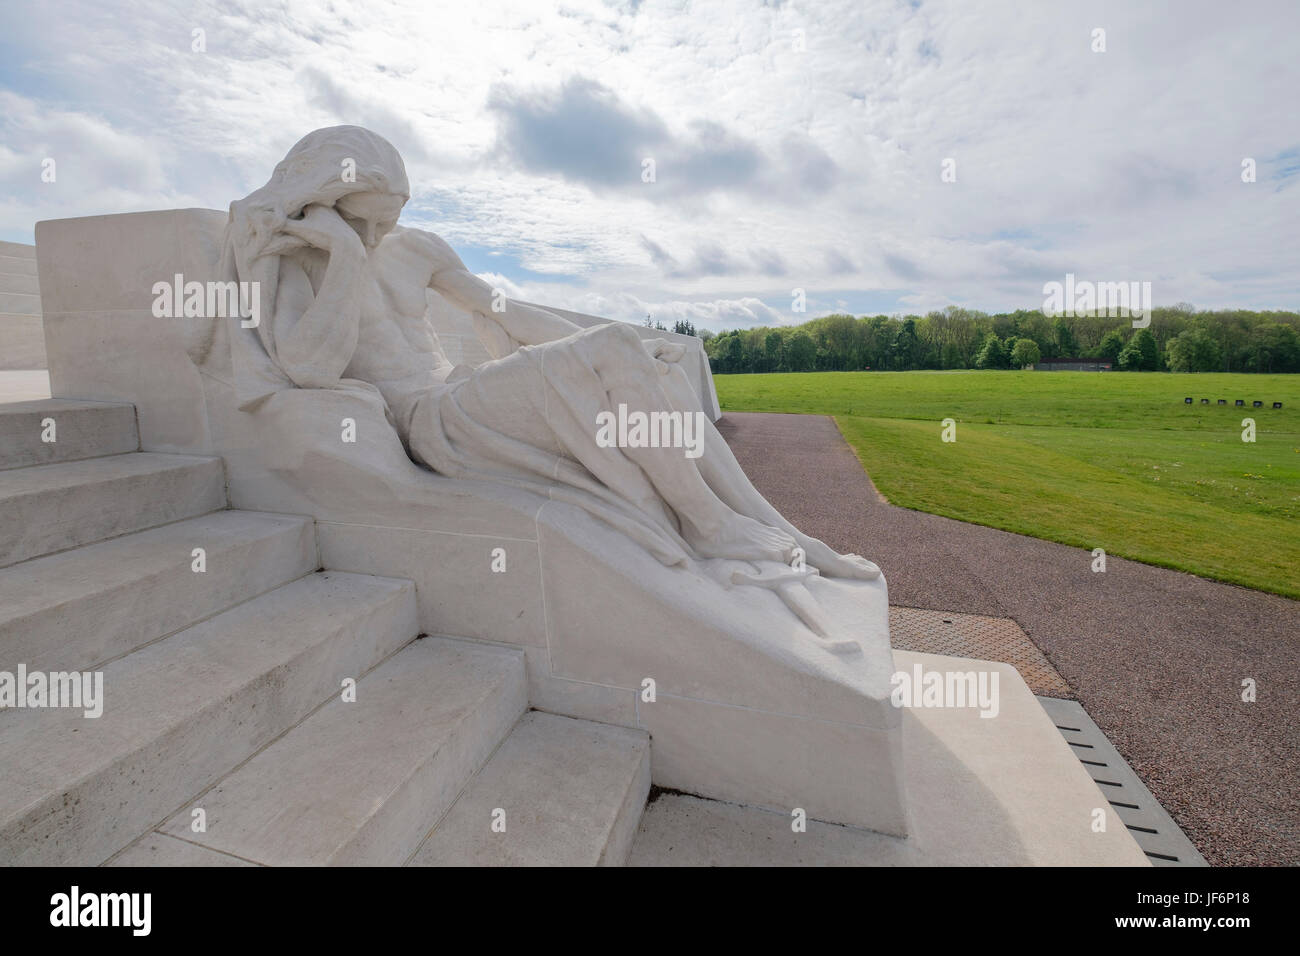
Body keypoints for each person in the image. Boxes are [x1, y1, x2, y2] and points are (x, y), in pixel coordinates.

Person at [222, 125, 879, 580]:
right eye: (356, 220)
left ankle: (763, 524)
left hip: (461, 392)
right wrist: (339, 256)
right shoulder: (299, 265)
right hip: (429, 423)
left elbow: (504, 311)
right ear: (322, 202)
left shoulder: (418, 249)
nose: (371, 234)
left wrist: (635, 346)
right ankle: (710, 524)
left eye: (383, 221)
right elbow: (308, 367)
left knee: (627, 354)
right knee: (614, 354)